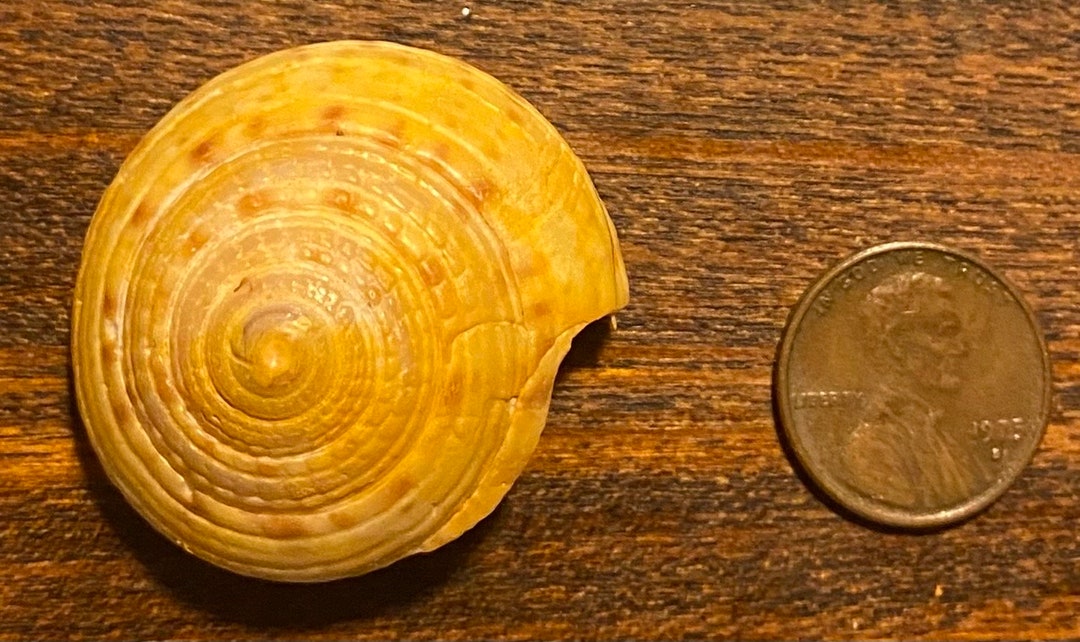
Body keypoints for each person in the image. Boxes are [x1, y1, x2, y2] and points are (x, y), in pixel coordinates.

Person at [843, 271, 984, 509]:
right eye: (946, 332)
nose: (963, 348)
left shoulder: (936, 433)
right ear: (896, 344)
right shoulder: (873, 447)